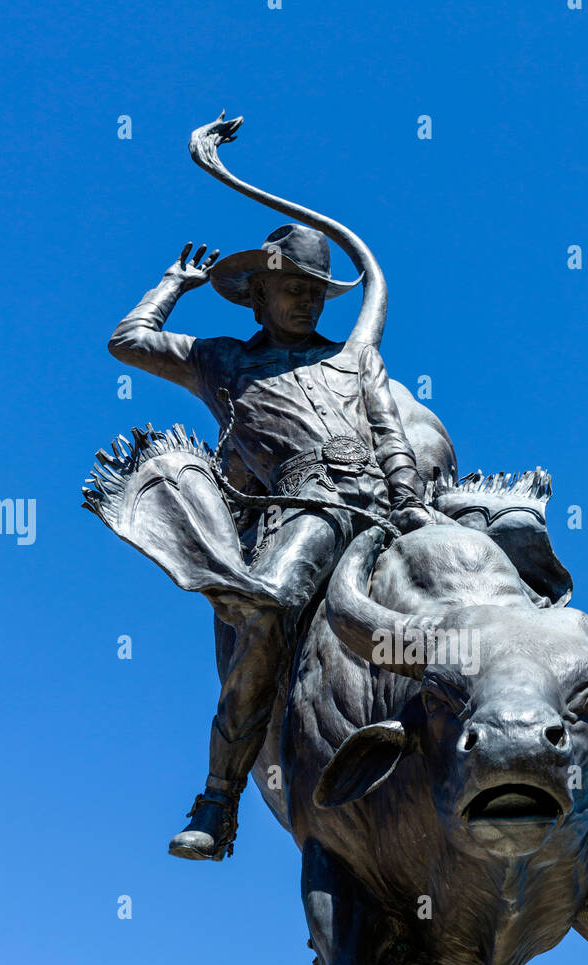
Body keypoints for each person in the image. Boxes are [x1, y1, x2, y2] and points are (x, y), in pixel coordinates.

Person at [108, 225, 432, 861]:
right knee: (270, 608)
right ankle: (217, 797)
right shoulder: (223, 360)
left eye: (315, 290)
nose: (307, 300)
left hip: (388, 502)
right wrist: (172, 286)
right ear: (257, 297)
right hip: (307, 509)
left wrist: (412, 499)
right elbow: (128, 342)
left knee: (495, 555)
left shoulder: (354, 357)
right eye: (291, 288)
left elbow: (389, 429)